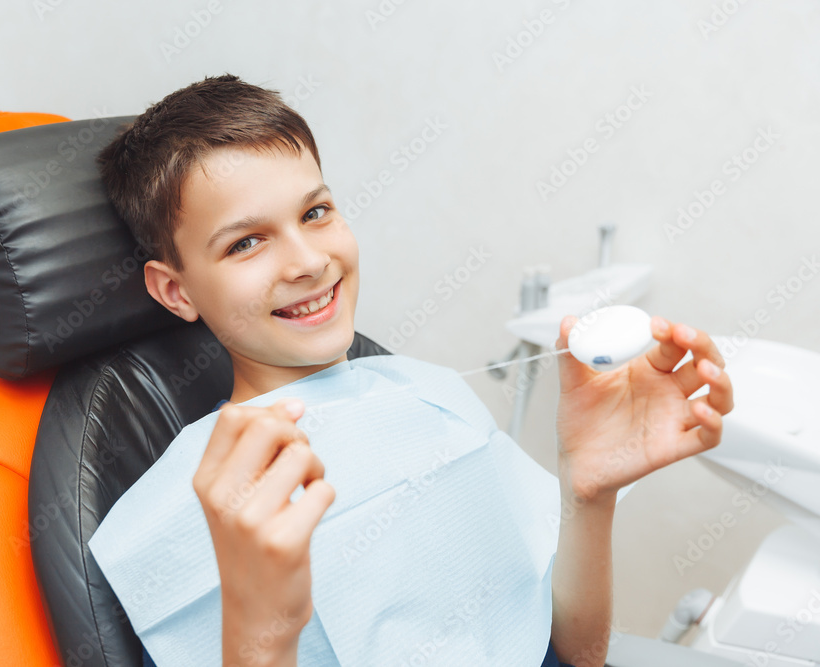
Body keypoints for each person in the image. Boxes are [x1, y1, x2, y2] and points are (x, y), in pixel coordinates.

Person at [96, 74, 734, 667]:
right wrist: (261, 631)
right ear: (175, 291)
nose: (308, 261)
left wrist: (587, 494)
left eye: (315, 212)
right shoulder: (189, 507)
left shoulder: (427, 393)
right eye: (246, 242)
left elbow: (572, 653)